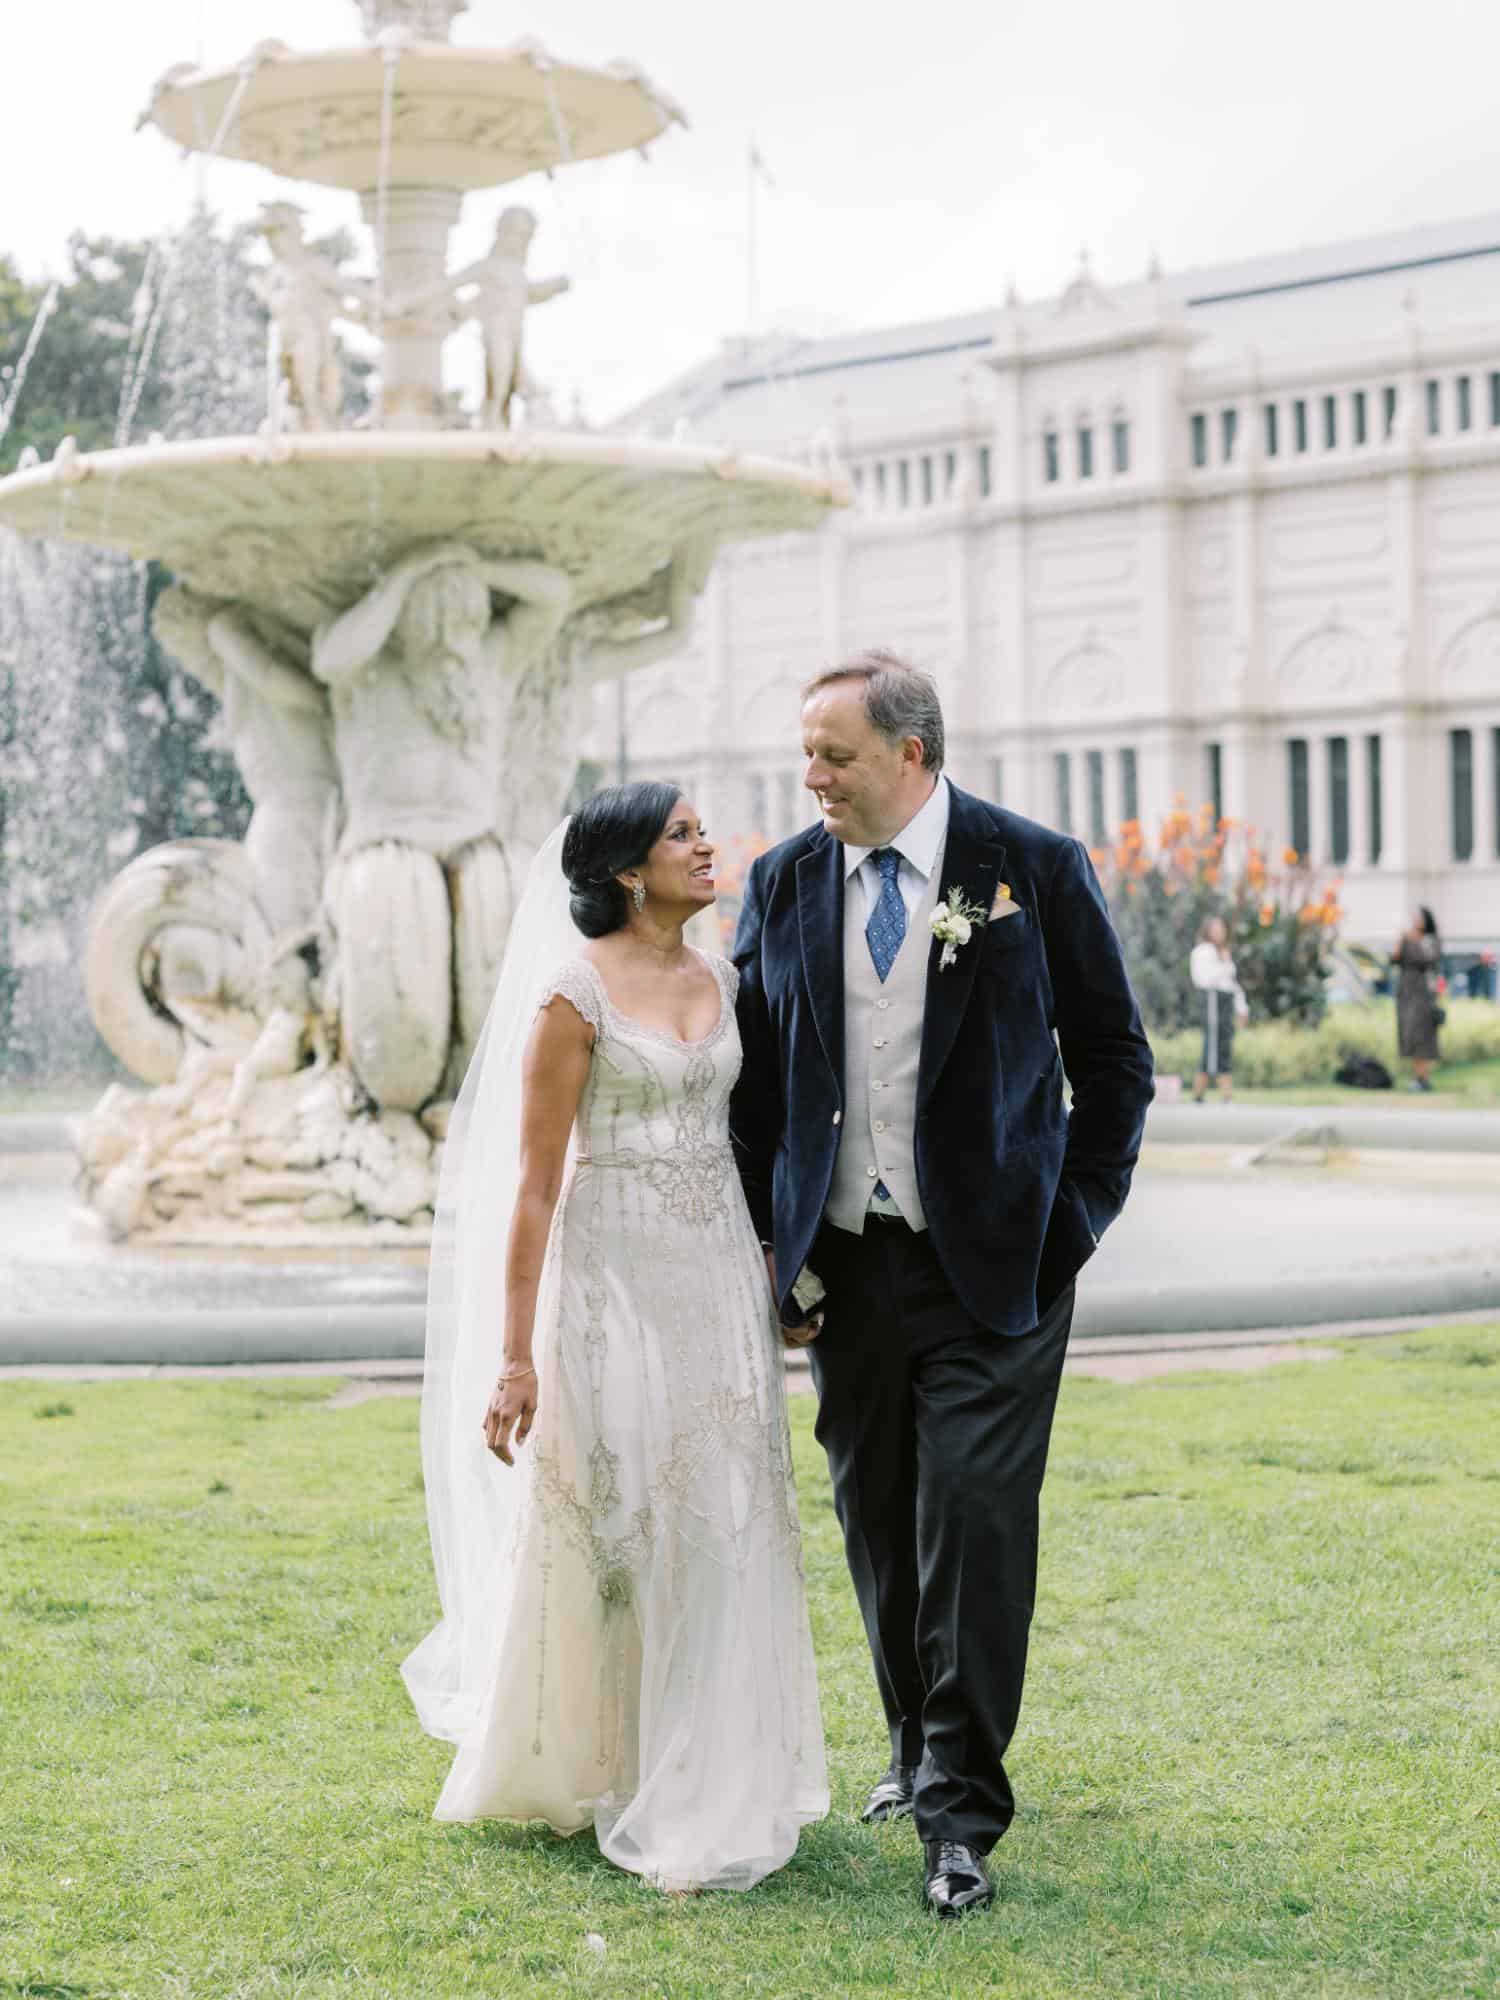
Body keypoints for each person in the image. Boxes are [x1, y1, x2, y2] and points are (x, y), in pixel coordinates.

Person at [730, 650, 1154, 1918]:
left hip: (995, 1270)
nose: (813, 776)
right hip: (846, 1270)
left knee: (970, 1517)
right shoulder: (783, 878)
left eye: (835, 754)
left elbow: (1116, 1064)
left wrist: (1065, 1224)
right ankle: (912, 1743)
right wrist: (776, 1243)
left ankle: (960, 1811)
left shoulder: (1034, 866)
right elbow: (756, 1087)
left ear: (911, 754)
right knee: (878, 1510)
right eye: (806, 752)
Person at [403, 783, 827, 1894]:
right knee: (636, 1518)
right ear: (629, 870)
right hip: (612, 1280)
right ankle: (623, 1766)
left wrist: (782, 1265)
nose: (707, 845)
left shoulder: (724, 977)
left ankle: (721, 1767)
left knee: (731, 1515)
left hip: (717, 1275)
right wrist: (514, 1355)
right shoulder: (572, 993)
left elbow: (753, 1135)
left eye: (701, 829)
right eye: (684, 833)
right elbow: (533, 1190)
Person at [1189, 915, 1249, 1102]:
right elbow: (1204, 980)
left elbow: (1231, 983)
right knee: (1214, 1045)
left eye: (1221, 928)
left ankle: (1203, 1095)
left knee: (1223, 1044)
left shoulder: (1223, 952)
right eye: (1215, 928)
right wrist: (1223, 963)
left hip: (1225, 1002)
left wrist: (1242, 1007)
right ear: (1207, 930)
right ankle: (1216, 1094)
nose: (1219, 932)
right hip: (1212, 1000)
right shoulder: (1203, 952)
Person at [1394, 906, 1442, 1092]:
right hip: (1406, 991)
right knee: (1409, 1033)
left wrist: (1414, 942)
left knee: (1422, 1034)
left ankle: (1422, 1078)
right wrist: (1401, 939)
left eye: (1419, 918)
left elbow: (1428, 960)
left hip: (1423, 993)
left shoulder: (1430, 941)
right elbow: (1396, 959)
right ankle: (1419, 1077)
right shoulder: (1407, 938)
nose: (1415, 921)